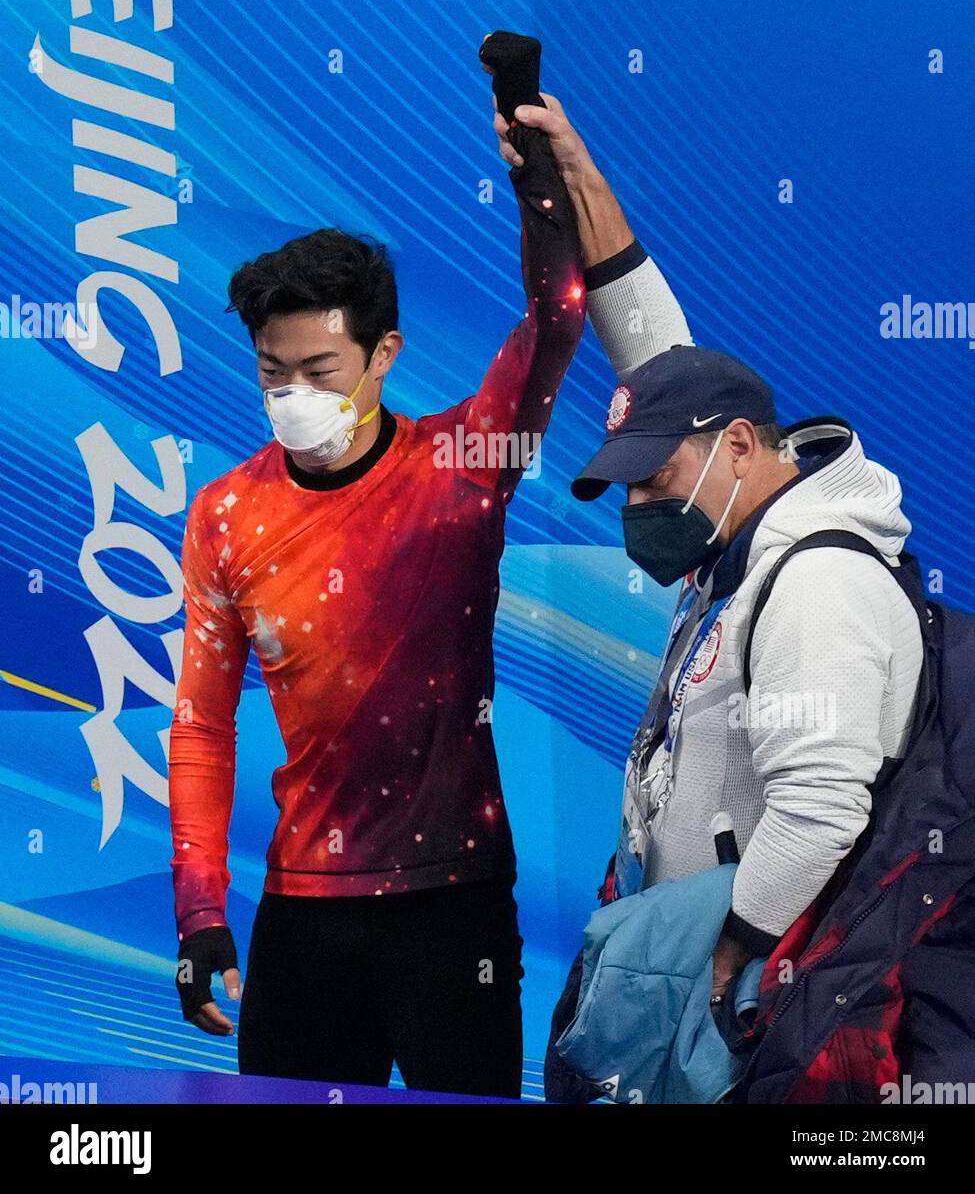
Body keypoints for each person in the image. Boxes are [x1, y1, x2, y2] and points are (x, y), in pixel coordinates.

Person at [168, 101, 585, 1100]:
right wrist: (200, 915)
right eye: (273, 373)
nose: (292, 393)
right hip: (302, 918)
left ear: (383, 354)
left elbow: (560, 313)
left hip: (456, 908)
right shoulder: (225, 512)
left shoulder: (466, 461)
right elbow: (201, 727)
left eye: (319, 370)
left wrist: (538, 183)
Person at [493, 93, 924, 1016]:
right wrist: (574, 175)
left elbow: (816, 811)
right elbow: (654, 353)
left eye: (655, 478)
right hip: (702, 955)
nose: (640, 504)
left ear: (737, 445)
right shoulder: (742, 530)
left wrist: (722, 967)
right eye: (628, 485)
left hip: (757, 988)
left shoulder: (818, 581)